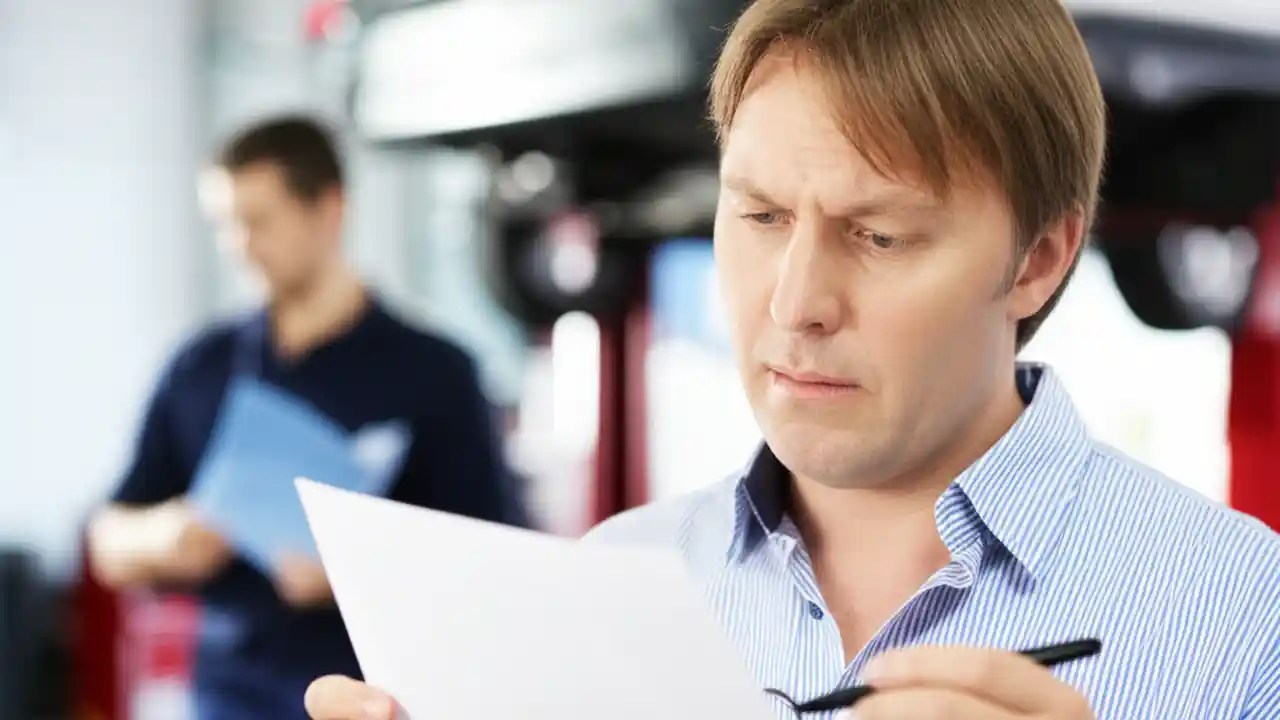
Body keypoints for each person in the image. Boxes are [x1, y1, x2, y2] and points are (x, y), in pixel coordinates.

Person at [303, 0, 1280, 718]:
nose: (792, 303)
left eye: (880, 236)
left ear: (1035, 260)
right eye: (760, 217)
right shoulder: (606, 583)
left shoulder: (1245, 620)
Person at [87, 116, 524, 720]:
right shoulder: (200, 366)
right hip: (226, 691)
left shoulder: (435, 374)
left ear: (329, 209)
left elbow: (498, 559)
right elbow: (109, 538)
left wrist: (357, 570)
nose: (238, 245)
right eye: (225, 225)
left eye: (258, 221)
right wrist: (168, 536)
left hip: (371, 696)